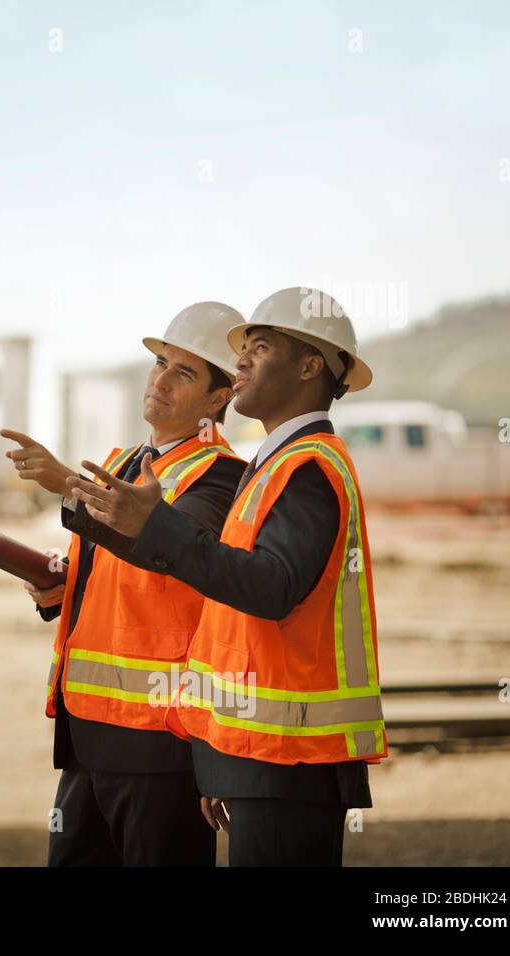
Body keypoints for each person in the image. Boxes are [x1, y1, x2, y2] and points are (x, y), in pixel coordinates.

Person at [68, 287, 386, 866]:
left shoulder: (308, 467)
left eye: (260, 348)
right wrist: (219, 758)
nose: (242, 360)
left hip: (291, 760)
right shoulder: (274, 463)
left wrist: (157, 526)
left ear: (311, 366)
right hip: (259, 755)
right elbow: (232, 608)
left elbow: (269, 589)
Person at [1, 301, 246, 866]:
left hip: (160, 742)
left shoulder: (222, 475)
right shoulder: (126, 462)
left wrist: (68, 484)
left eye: (184, 372)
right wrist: (59, 590)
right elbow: (119, 571)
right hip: (88, 732)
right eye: (161, 362)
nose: (160, 379)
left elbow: (172, 553)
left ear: (219, 398)